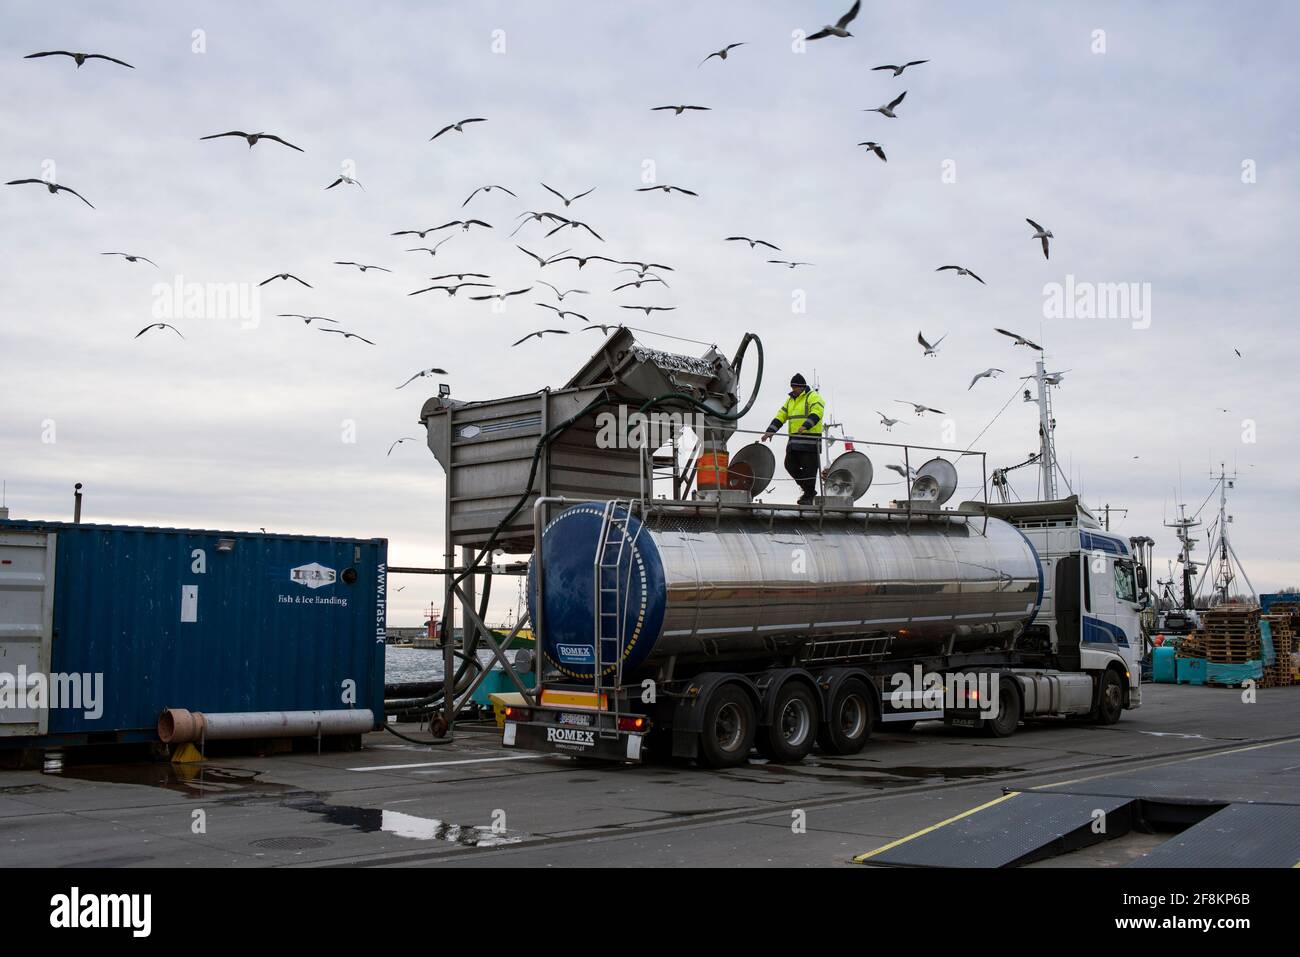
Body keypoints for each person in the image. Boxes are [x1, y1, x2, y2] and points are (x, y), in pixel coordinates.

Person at [760, 373, 825, 504]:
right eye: (792, 387)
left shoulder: (813, 397)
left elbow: (817, 412)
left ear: (801, 387)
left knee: (809, 470)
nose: (793, 390)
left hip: (810, 442)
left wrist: (805, 426)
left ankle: (808, 495)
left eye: (795, 387)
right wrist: (770, 432)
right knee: (789, 465)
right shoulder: (790, 400)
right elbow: (781, 416)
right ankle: (809, 491)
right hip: (794, 442)